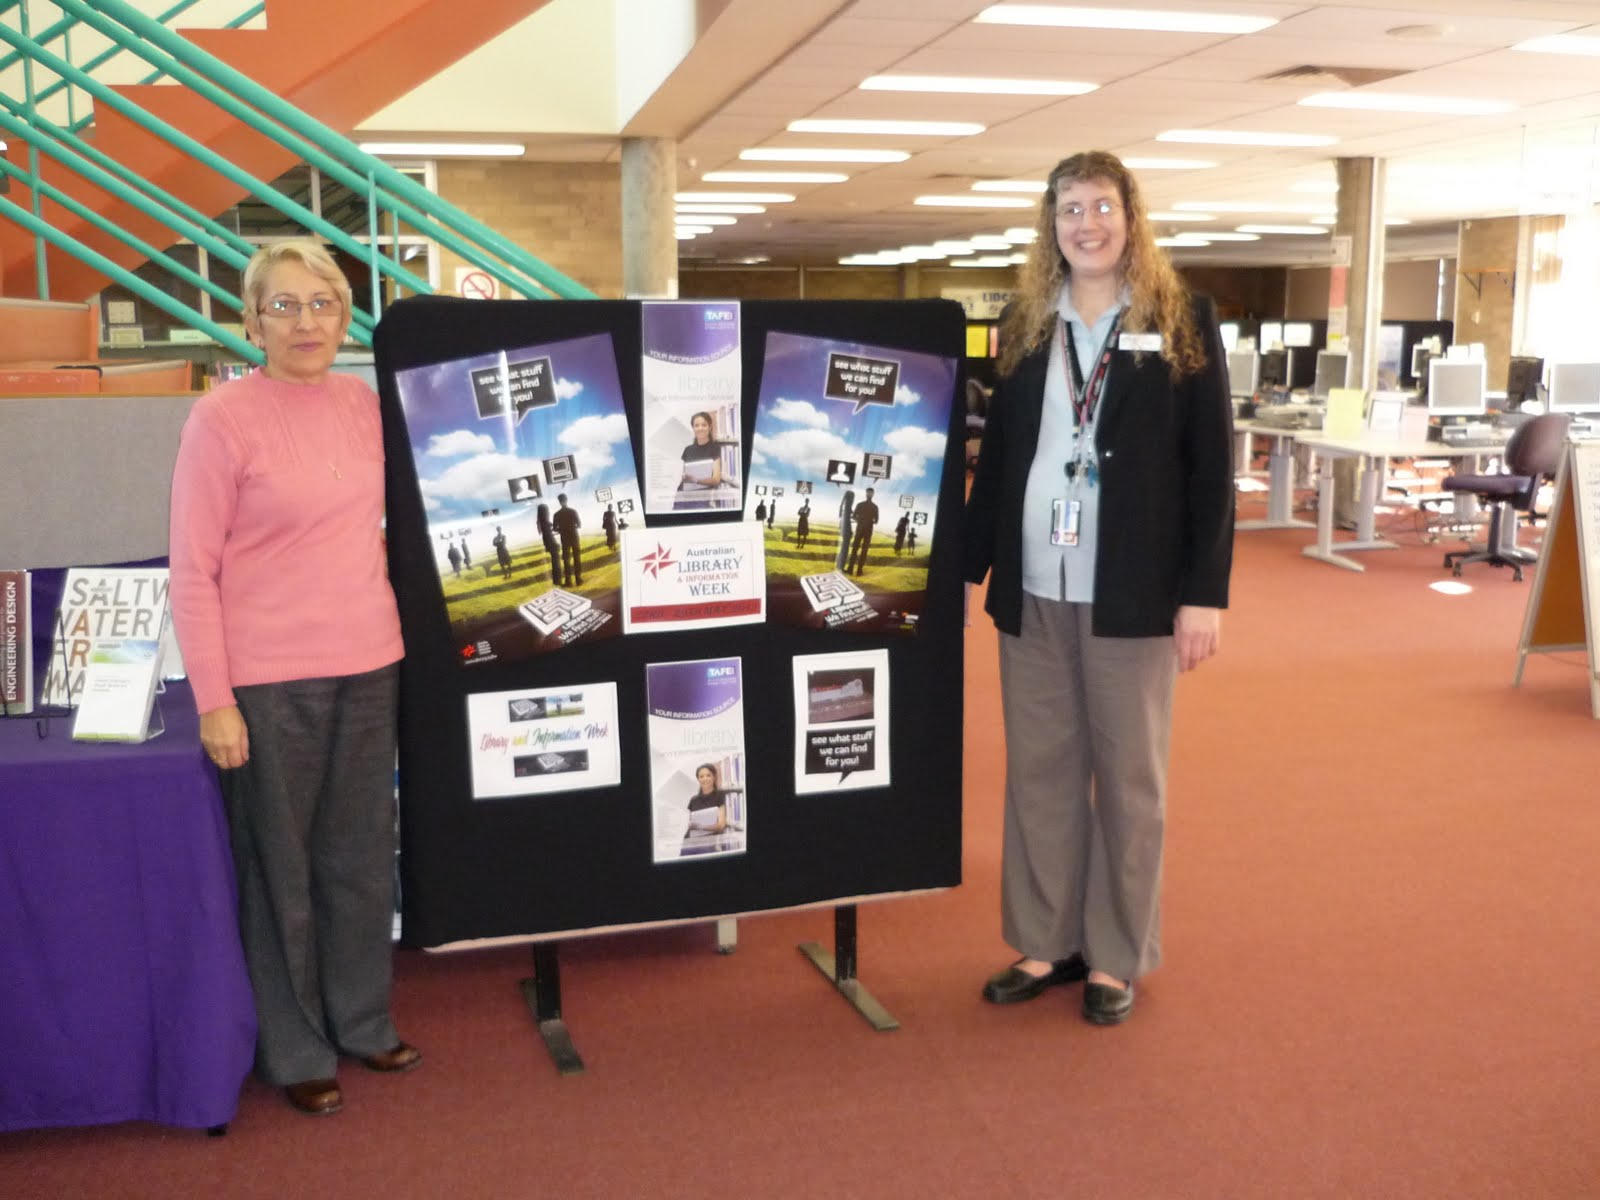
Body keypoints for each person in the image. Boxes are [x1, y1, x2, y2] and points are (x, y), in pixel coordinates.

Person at [964, 151, 1234, 1027]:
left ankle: (1116, 953)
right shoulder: (1025, 321)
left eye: (1103, 207)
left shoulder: (1179, 319)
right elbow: (1002, 454)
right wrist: (961, 567)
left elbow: (1210, 472)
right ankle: (1048, 940)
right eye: (1071, 209)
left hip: (1133, 589)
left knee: (1128, 777)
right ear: (1051, 225)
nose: (1088, 224)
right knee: (1040, 770)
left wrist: (1205, 594)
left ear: (1131, 217)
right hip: (1036, 583)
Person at [167, 239, 421, 1118]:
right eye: (285, 306)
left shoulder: (361, 404)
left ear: (344, 317)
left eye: (323, 304)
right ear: (251, 320)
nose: (306, 322)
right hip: (269, 680)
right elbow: (191, 570)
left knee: (356, 861)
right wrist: (214, 699)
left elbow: (368, 527)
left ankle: (361, 1019)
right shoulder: (223, 418)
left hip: (370, 660)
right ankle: (296, 1043)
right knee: (280, 868)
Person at [675, 411, 723, 508]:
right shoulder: (687, 449)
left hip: (701, 499)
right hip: (681, 497)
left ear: (710, 427)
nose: (700, 428)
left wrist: (696, 480)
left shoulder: (715, 448)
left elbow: (716, 479)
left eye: (704, 425)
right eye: (696, 425)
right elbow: (683, 475)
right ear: (693, 428)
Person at [683, 762, 728, 851]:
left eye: (708, 775)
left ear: (714, 777)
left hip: (707, 842)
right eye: (701, 776)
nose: (705, 779)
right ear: (698, 779)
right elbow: (688, 823)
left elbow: (721, 825)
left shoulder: (720, 795)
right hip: (689, 841)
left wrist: (701, 826)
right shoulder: (693, 800)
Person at [846, 486, 879, 574]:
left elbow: (854, 517)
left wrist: (860, 519)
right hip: (866, 530)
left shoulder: (862, 505)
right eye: (868, 493)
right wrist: (868, 520)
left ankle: (854, 569)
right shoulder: (873, 507)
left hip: (863, 529)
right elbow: (876, 521)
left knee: (858, 550)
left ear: (872, 494)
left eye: (870, 493)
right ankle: (857, 570)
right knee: (860, 550)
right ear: (867, 494)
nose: (869, 494)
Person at [554, 493, 583, 586]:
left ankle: (568, 581)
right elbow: (579, 525)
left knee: (566, 560)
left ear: (559, 502)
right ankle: (578, 579)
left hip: (564, 538)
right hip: (574, 537)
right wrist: (571, 526)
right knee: (577, 558)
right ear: (566, 500)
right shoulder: (573, 511)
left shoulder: (557, 514)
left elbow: (554, 528)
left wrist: (561, 529)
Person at [536, 502, 563, 586]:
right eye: (547, 510)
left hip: (548, 543)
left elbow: (548, 533)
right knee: (556, 563)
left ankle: (556, 581)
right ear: (545, 512)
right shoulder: (546, 522)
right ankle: (558, 581)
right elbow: (550, 534)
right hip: (552, 543)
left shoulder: (541, 521)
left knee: (555, 562)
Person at [834, 488, 855, 572]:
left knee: (843, 548)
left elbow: (843, 517)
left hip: (843, 527)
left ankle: (839, 565)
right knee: (845, 549)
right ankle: (841, 567)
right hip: (846, 529)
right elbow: (849, 518)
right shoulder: (848, 506)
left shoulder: (842, 505)